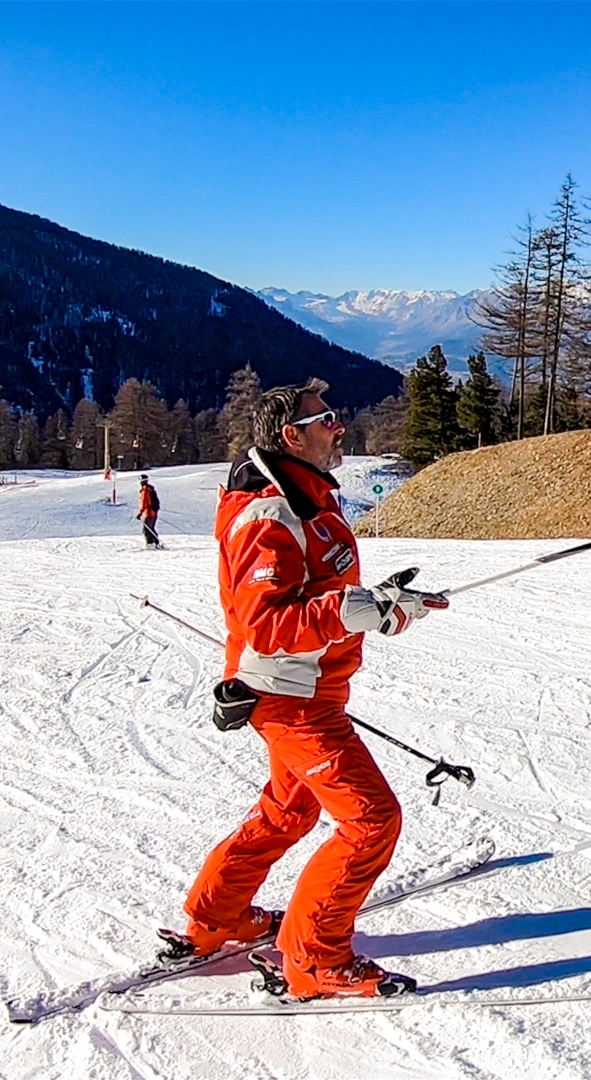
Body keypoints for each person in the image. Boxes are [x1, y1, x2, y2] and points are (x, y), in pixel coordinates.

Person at [172, 378, 450, 999]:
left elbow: (321, 598)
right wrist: (354, 609)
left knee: (290, 808)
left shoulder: (306, 500)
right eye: (325, 418)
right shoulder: (268, 512)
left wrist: (384, 607)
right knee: (372, 820)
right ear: (290, 437)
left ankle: (217, 916)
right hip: (289, 698)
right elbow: (267, 625)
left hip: (313, 689)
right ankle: (314, 960)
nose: (339, 426)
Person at [136, 475, 162, 549]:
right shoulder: (151, 489)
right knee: (151, 528)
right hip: (154, 512)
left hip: (149, 512)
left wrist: (140, 513)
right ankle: (156, 542)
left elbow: (144, 502)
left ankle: (150, 543)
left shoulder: (145, 490)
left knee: (146, 529)